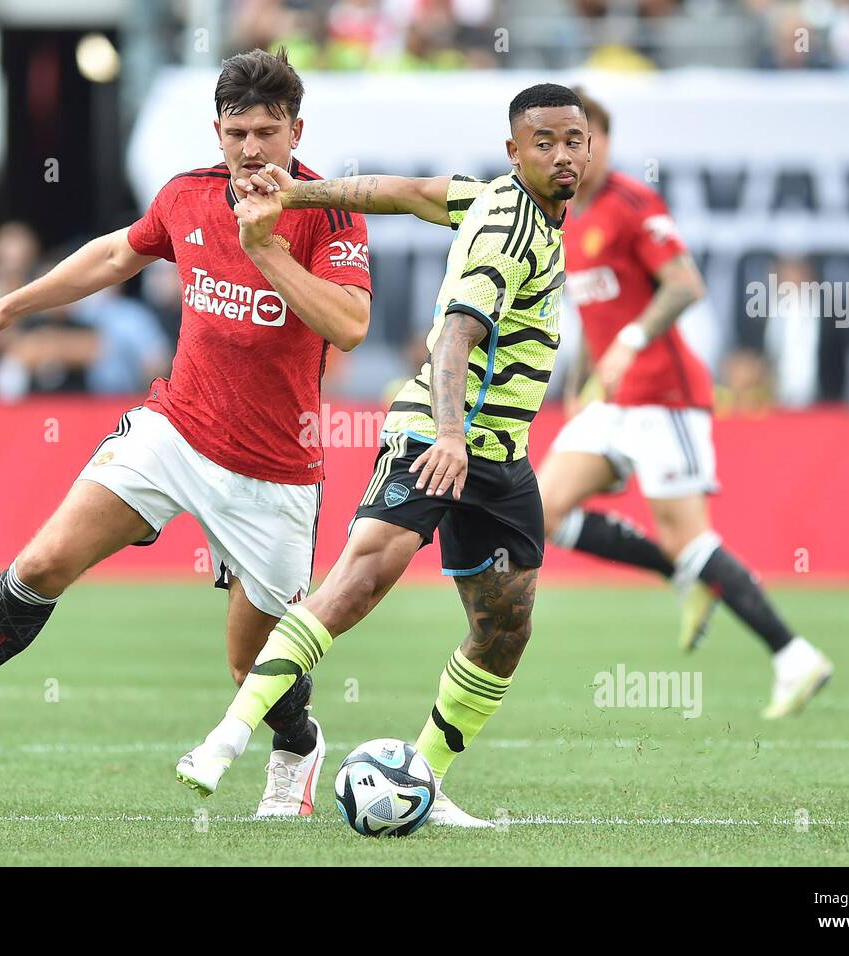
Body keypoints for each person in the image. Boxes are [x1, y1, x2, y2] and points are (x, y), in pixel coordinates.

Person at [0, 48, 373, 818]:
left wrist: (267, 250)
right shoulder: (188, 196)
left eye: (266, 132)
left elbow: (350, 325)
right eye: (236, 132)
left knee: (251, 664)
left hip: (276, 474)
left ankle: (298, 743)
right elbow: (118, 252)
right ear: (216, 131)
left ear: (296, 131)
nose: (250, 150)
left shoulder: (329, 211)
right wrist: (2, 310)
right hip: (175, 433)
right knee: (44, 561)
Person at [177, 83, 586, 827]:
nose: (561, 155)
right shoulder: (509, 230)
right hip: (438, 435)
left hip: (500, 456)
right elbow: (460, 332)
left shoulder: (496, 197)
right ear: (514, 151)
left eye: (573, 141)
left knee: (505, 627)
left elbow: (396, 191)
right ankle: (224, 740)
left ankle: (425, 777)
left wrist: (298, 193)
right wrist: (452, 435)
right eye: (544, 142)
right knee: (358, 584)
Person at [538, 90, 832, 719]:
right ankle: (682, 577)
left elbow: (684, 283)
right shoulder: (564, 217)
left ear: (601, 146)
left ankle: (794, 655)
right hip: (612, 400)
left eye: (580, 141)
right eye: (558, 142)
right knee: (539, 512)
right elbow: (595, 310)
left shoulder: (631, 203)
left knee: (690, 537)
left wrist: (632, 343)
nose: (569, 154)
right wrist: (581, 379)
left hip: (665, 397)